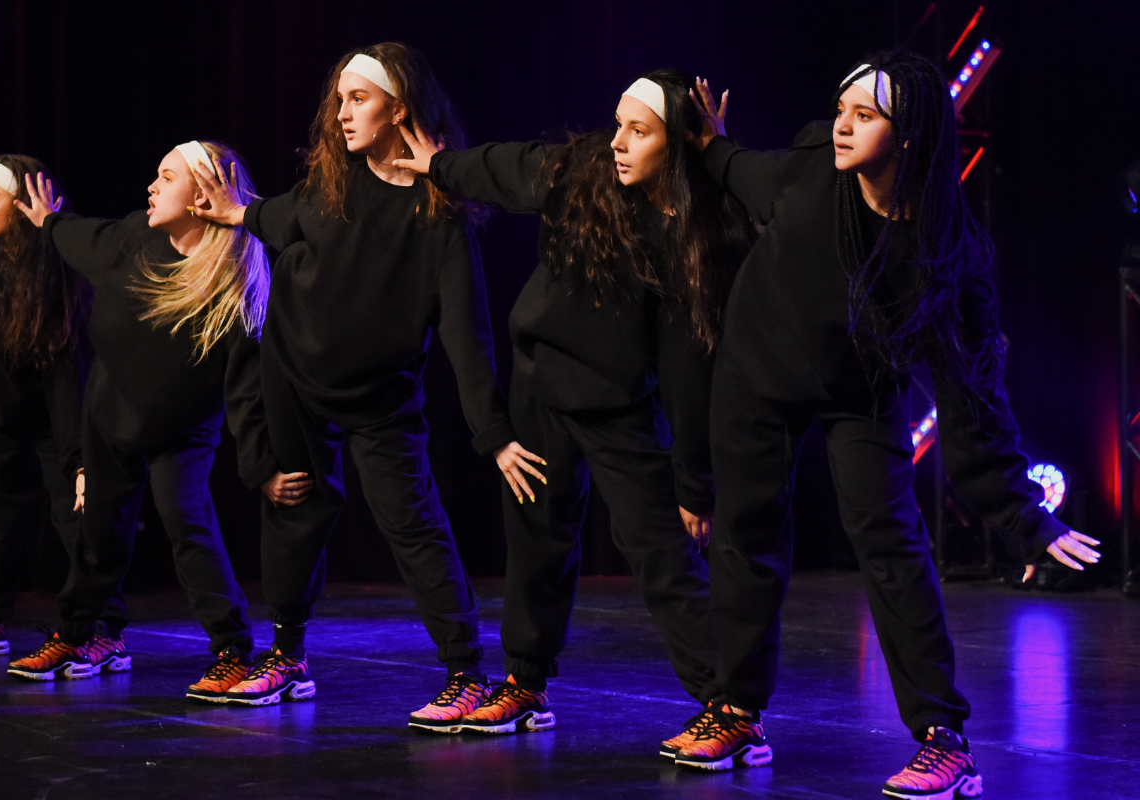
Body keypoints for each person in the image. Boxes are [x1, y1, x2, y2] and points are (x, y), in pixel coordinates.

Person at [674, 52, 1100, 799]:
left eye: (864, 116)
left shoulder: (946, 253)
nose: (842, 125)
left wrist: (1021, 514)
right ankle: (736, 711)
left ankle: (944, 739)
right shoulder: (810, 177)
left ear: (910, 138)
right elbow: (746, 171)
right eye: (841, 109)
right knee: (748, 537)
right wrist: (711, 145)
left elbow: (973, 397)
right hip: (757, 369)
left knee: (893, 543)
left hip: (860, 389)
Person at [393, 70, 754, 751]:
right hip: (539, 392)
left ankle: (731, 709)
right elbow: (507, 168)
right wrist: (439, 164)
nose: (617, 142)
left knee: (661, 556)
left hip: (618, 407)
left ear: (675, 146)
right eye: (617, 123)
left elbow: (686, 369)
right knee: (535, 542)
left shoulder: (691, 230)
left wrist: (693, 486)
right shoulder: (585, 171)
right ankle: (524, 686)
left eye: (637, 131)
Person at [191, 44, 526, 725]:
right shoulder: (330, 183)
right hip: (294, 376)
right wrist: (239, 214)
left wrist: (493, 434)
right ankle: (286, 659)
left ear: (398, 107)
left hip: (379, 399)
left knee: (413, 524)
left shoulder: (439, 213)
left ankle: (465, 672)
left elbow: (467, 336)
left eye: (358, 99)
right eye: (339, 99)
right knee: (294, 504)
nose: (341, 113)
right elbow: (286, 219)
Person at [6, 141, 294, 701]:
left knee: (188, 524)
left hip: (183, 429)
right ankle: (82, 635)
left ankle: (232, 648)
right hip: (112, 415)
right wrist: (49, 222)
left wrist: (262, 467)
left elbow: (246, 392)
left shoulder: (232, 281)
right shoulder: (135, 237)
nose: (151, 187)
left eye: (166, 177)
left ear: (202, 196)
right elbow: (80, 237)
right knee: (99, 532)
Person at [0, 156, 128, 660]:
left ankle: (103, 628)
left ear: (20, 209)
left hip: (56, 421)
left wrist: (79, 458)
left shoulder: (50, 273)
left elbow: (65, 376)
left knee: (75, 519)